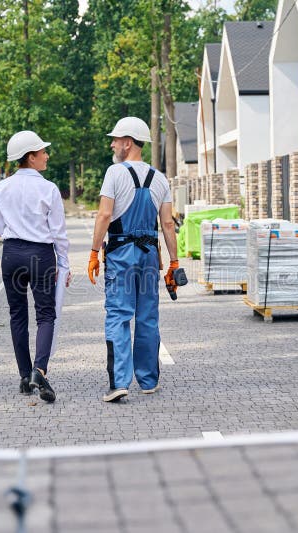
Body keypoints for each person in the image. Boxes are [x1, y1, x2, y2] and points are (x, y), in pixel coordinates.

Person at [87, 117, 180, 402]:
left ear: (128, 143)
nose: (113, 144)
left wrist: (93, 251)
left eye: (116, 139)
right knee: (148, 317)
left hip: (121, 254)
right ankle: (149, 380)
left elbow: (104, 215)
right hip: (150, 254)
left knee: (119, 315)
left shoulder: (114, 173)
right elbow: (167, 224)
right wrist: (174, 262)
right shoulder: (160, 178)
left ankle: (119, 383)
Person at [0, 130, 70, 403]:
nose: (46, 155)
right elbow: (58, 232)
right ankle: (40, 370)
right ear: (30, 157)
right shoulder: (48, 189)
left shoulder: (1, 188)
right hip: (40, 255)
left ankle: (25, 376)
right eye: (42, 152)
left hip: (11, 254)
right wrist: (65, 264)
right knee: (46, 314)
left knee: (17, 315)